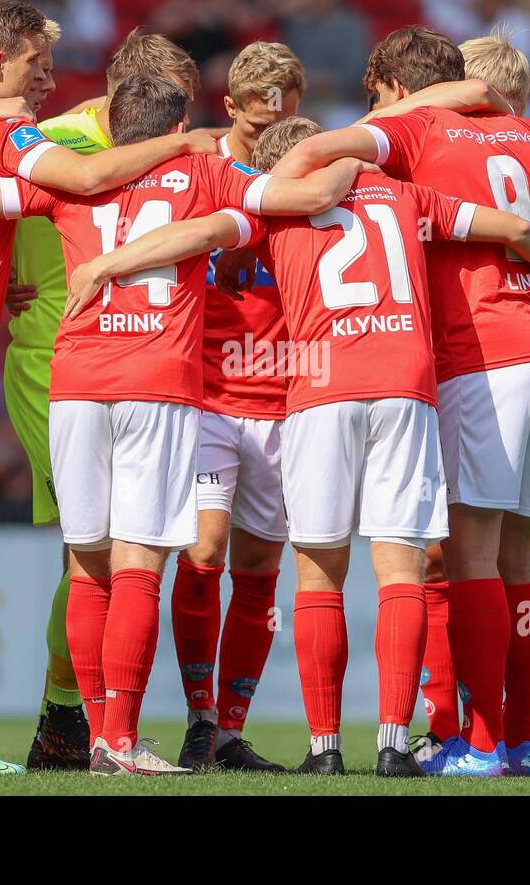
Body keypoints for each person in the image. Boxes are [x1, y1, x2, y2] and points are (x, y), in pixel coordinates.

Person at [63, 114, 530, 778]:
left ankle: (325, 749)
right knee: (401, 569)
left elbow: (196, 234)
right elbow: (517, 229)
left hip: (320, 390)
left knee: (319, 573)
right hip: (404, 385)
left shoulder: (272, 211)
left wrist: (106, 264)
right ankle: (394, 744)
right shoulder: (405, 196)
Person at [0, 73, 359, 777]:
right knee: (140, 566)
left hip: (76, 383)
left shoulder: (69, 179)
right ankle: (119, 740)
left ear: (109, 125)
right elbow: (310, 195)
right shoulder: (206, 172)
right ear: (180, 118)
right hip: (158, 386)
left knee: (88, 566)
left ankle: (97, 737)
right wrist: (363, 149)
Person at [269, 25, 530, 777]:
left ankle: (484, 746)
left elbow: (324, 152)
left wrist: (425, 107)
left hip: (481, 355)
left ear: (395, 89)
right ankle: (522, 744)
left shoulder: (412, 129)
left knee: (472, 556)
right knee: (525, 558)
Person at [7, 28, 204, 772]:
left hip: (124, 360)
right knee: (97, 557)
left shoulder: (126, 147)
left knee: (102, 557)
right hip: (55, 363)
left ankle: (80, 726)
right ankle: (80, 721)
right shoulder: (58, 142)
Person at [173, 41, 305, 773]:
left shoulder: (314, 169)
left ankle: (228, 729)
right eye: (259, 122)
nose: (272, 133)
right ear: (230, 109)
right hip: (207, 395)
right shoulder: (200, 171)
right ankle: (197, 717)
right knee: (203, 551)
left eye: (284, 110)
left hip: (286, 397)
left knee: (259, 568)